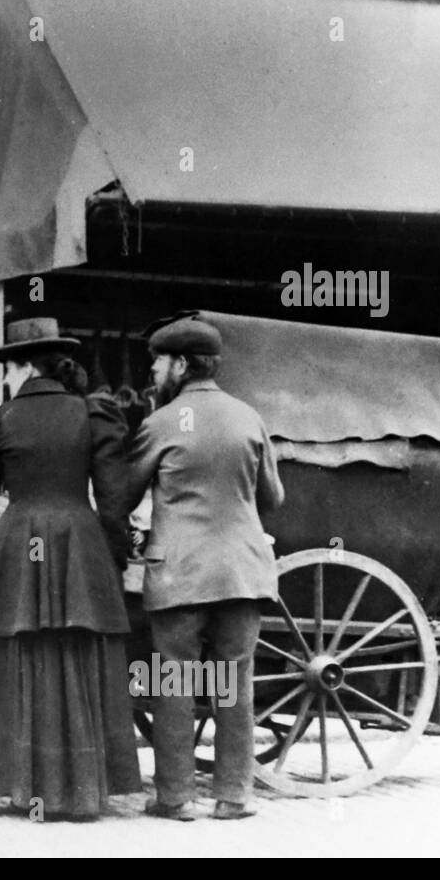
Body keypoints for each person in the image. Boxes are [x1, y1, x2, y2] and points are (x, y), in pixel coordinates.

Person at [0, 317, 141, 820]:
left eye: (7, 369)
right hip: (79, 540)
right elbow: (113, 500)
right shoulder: (92, 413)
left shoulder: (0, 419)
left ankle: (26, 788)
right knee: (75, 652)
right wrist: (113, 557)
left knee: (22, 654)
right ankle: (81, 791)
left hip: (19, 541)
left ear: (19, 367)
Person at [126, 315, 285, 822]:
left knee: (173, 683)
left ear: (180, 364)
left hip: (180, 575)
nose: (153, 370)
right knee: (234, 685)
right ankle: (233, 798)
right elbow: (273, 498)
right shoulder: (248, 418)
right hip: (241, 572)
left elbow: (124, 494)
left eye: (158, 360)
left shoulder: (161, 423)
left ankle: (175, 799)